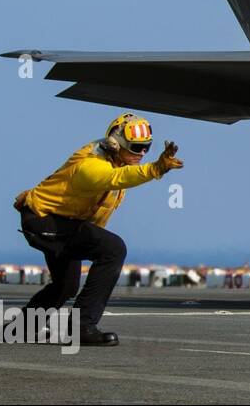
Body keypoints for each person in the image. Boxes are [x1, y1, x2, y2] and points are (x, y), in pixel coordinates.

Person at [13, 113, 184, 346]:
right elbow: (115, 178)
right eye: (136, 147)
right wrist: (154, 169)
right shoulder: (89, 164)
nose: (142, 153)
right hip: (45, 221)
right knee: (113, 248)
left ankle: (17, 329)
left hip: (63, 224)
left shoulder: (117, 161)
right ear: (116, 143)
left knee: (66, 286)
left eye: (147, 147)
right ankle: (81, 328)